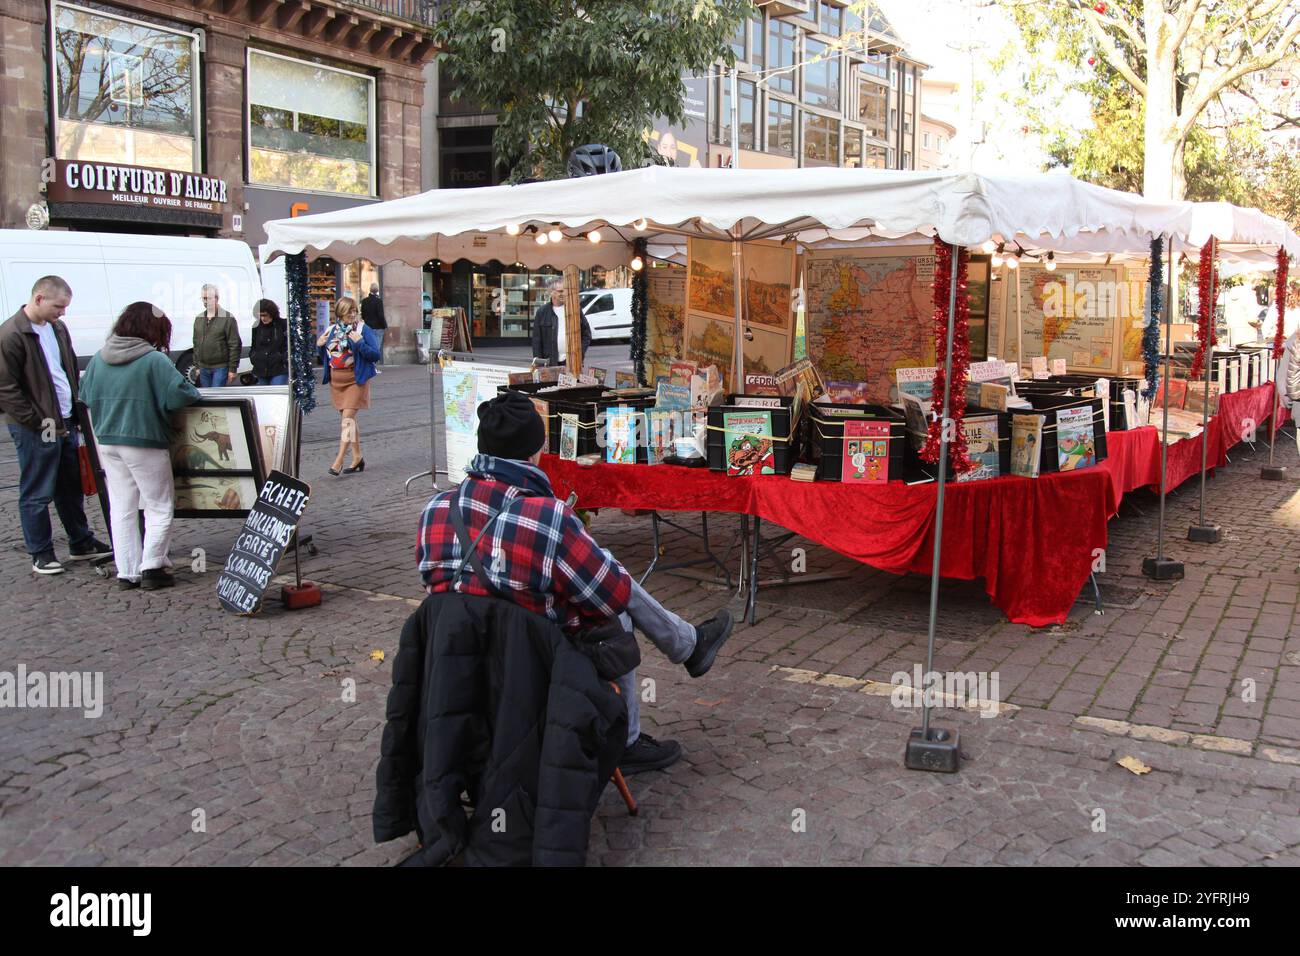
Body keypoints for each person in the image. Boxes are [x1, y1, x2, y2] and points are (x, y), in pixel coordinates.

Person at [416, 391, 735, 775]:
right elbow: (612, 596)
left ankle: (687, 646)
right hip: (532, 663)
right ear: (534, 453)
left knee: (595, 579)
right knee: (617, 617)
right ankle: (628, 740)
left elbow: (437, 588)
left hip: (455, 660)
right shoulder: (546, 517)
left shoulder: (435, 509)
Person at [79, 302, 201, 590]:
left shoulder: (98, 358)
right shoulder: (153, 361)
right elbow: (182, 395)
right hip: (144, 440)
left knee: (121, 507)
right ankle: (153, 567)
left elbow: (85, 395)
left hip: (107, 441)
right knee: (158, 505)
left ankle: (128, 571)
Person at [0, 275, 112, 574]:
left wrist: (75, 413)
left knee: (70, 485)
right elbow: (6, 388)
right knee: (37, 489)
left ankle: (81, 542)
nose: (62, 313)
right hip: (37, 425)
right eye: (58, 306)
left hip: (63, 420)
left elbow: (68, 368)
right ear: (38, 298)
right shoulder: (11, 333)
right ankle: (41, 552)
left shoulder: (57, 328)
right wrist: (37, 421)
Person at [316, 296, 380, 476]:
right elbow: (328, 355)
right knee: (349, 421)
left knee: (346, 420)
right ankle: (357, 457)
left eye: (354, 311)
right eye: (348, 312)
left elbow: (375, 354)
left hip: (356, 379)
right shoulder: (332, 330)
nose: (352, 314)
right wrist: (320, 346)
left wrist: (359, 343)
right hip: (337, 380)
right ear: (340, 314)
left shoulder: (362, 329)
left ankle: (339, 460)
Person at [530, 278, 591, 367]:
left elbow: (586, 334)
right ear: (551, 292)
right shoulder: (542, 312)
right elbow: (536, 340)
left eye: (565, 291)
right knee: (552, 381)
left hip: (571, 362)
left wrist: (580, 354)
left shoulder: (574, 309)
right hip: (549, 362)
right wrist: (539, 363)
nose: (564, 294)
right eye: (560, 291)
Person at [192, 284, 241, 388]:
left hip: (220, 367)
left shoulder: (228, 318)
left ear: (216, 298)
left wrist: (232, 369)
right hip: (203, 367)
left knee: (217, 397)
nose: (206, 301)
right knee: (207, 399)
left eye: (208, 298)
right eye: (204, 298)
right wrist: (197, 366)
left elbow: (235, 344)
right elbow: (196, 343)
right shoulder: (199, 318)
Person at [249, 299, 289, 386]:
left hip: (279, 368)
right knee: (264, 396)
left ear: (272, 313)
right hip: (261, 367)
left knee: (276, 394)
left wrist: (284, 358)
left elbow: (290, 344)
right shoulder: (256, 326)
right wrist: (254, 358)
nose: (263, 318)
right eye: (260, 316)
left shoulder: (283, 324)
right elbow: (254, 346)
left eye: (265, 315)